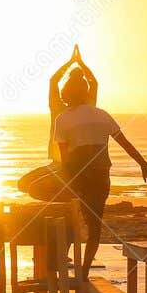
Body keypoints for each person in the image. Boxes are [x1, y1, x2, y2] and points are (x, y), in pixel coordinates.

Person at [52, 69, 147, 279]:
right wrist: (144, 164)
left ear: (66, 94)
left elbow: (65, 159)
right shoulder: (102, 114)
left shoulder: (62, 119)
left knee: (72, 220)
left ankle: (59, 262)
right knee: (94, 225)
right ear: (87, 92)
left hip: (77, 175)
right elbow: (124, 143)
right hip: (100, 174)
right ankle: (84, 271)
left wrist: (65, 182)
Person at [17, 46, 95, 203]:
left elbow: (53, 80)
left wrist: (71, 62)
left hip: (73, 167)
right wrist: (80, 63)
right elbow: (94, 83)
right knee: (24, 184)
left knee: (31, 187)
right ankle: (70, 197)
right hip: (57, 165)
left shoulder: (59, 108)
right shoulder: (87, 107)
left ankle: (71, 199)